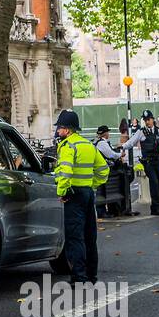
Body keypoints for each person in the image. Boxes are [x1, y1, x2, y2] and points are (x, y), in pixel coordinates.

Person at [53, 109, 110, 283]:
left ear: (67, 129)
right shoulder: (88, 145)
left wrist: (62, 192)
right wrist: (91, 185)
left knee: (75, 237)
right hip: (87, 193)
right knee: (89, 236)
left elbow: (65, 172)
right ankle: (92, 275)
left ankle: (79, 276)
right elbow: (103, 170)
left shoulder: (68, 146)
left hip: (73, 195)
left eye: (60, 127)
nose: (57, 130)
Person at [122, 109, 159, 216]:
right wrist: (122, 147)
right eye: (145, 120)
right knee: (154, 183)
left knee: (158, 184)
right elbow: (131, 142)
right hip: (148, 162)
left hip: (158, 161)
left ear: (152, 119)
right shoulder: (141, 132)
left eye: (148, 119)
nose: (147, 122)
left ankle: (156, 207)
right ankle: (155, 208)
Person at [94, 126, 121, 219]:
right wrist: (120, 154)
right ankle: (101, 212)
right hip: (102, 171)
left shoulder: (101, 142)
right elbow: (111, 155)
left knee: (104, 191)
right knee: (101, 191)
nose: (108, 134)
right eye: (108, 132)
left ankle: (105, 211)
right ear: (105, 133)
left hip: (101, 170)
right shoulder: (102, 143)